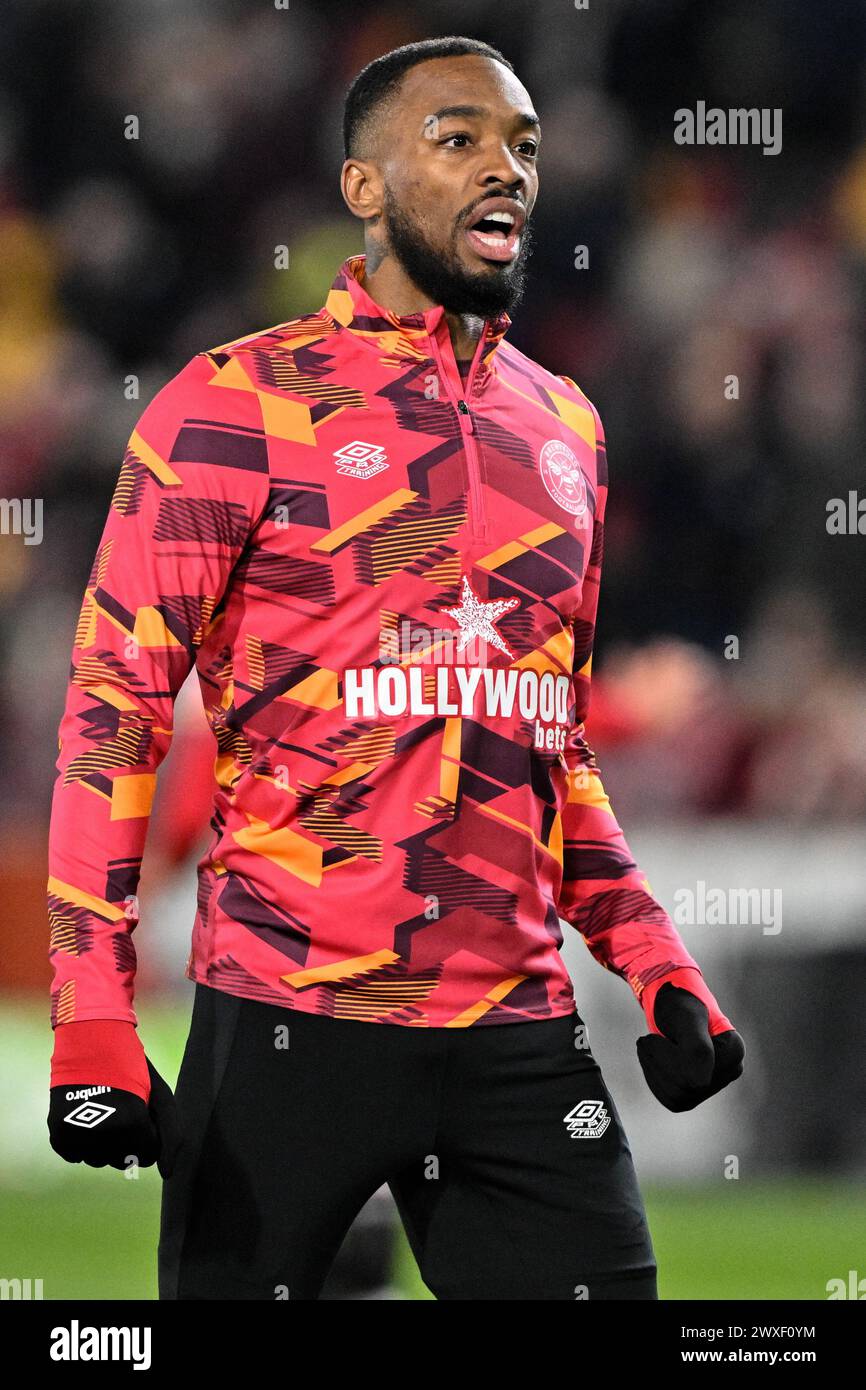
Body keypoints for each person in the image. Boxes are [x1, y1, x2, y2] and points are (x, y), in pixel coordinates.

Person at [46, 35, 743, 1301]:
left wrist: (653, 960)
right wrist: (90, 1007)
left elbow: (553, 749)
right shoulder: (228, 407)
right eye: (458, 136)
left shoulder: (568, 429)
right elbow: (114, 712)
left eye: (523, 146)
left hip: (516, 1034)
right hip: (283, 1019)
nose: (506, 169)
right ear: (362, 187)